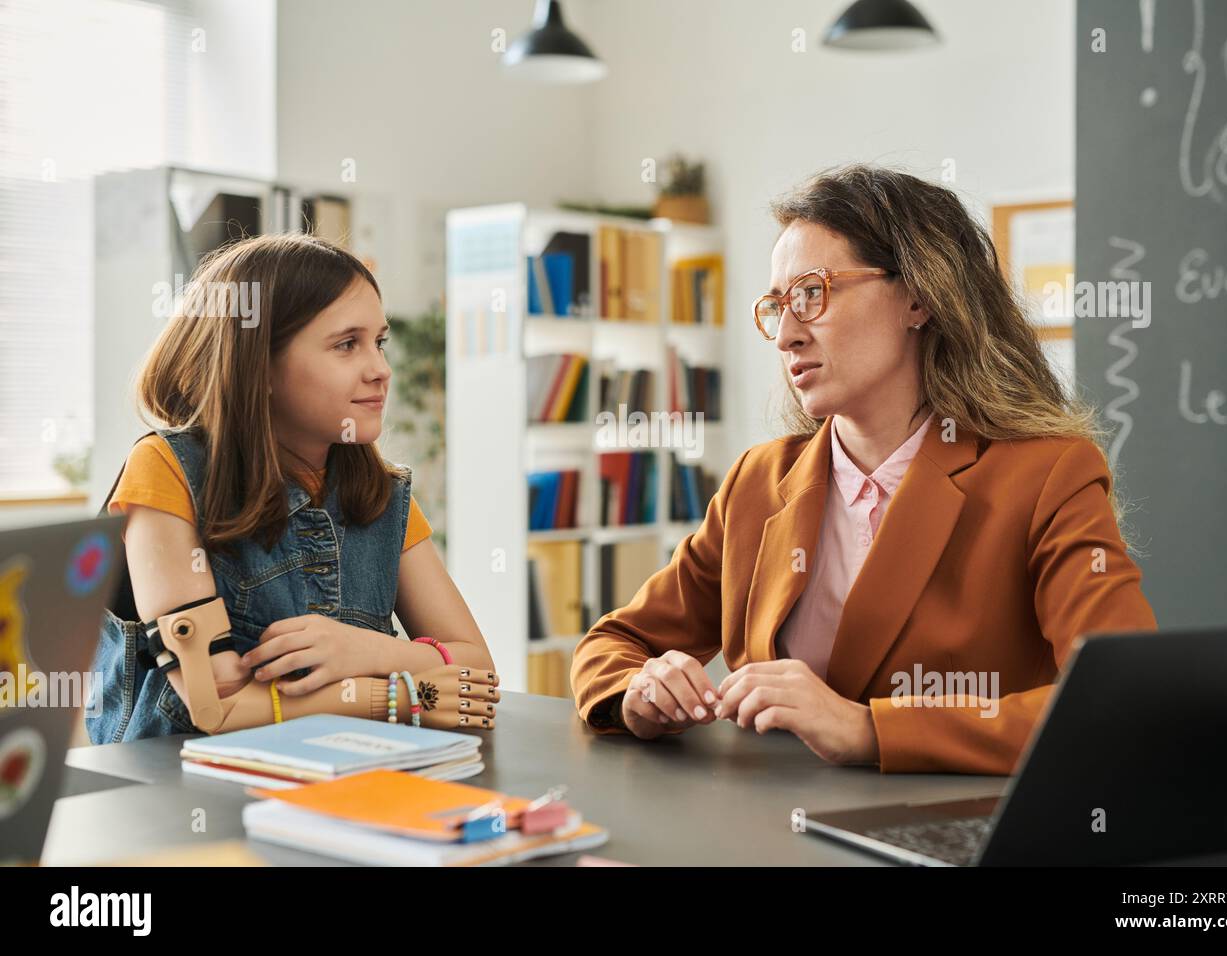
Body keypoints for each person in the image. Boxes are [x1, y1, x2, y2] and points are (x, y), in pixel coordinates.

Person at [571, 164, 1157, 775]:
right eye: (777, 305)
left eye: (812, 294)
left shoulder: (1048, 476)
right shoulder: (759, 481)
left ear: (919, 298)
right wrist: (639, 692)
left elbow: (1125, 700)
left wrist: (869, 729)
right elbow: (612, 646)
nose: (786, 335)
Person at [87, 234, 497, 744]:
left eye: (379, 341)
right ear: (256, 366)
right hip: (186, 800)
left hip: (347, 784)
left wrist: (365, 651)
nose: (381, 369)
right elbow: (214, 703)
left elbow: (479, 673)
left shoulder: (384, 493)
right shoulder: (165, 469)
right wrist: (401, 695)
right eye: (347, 344)